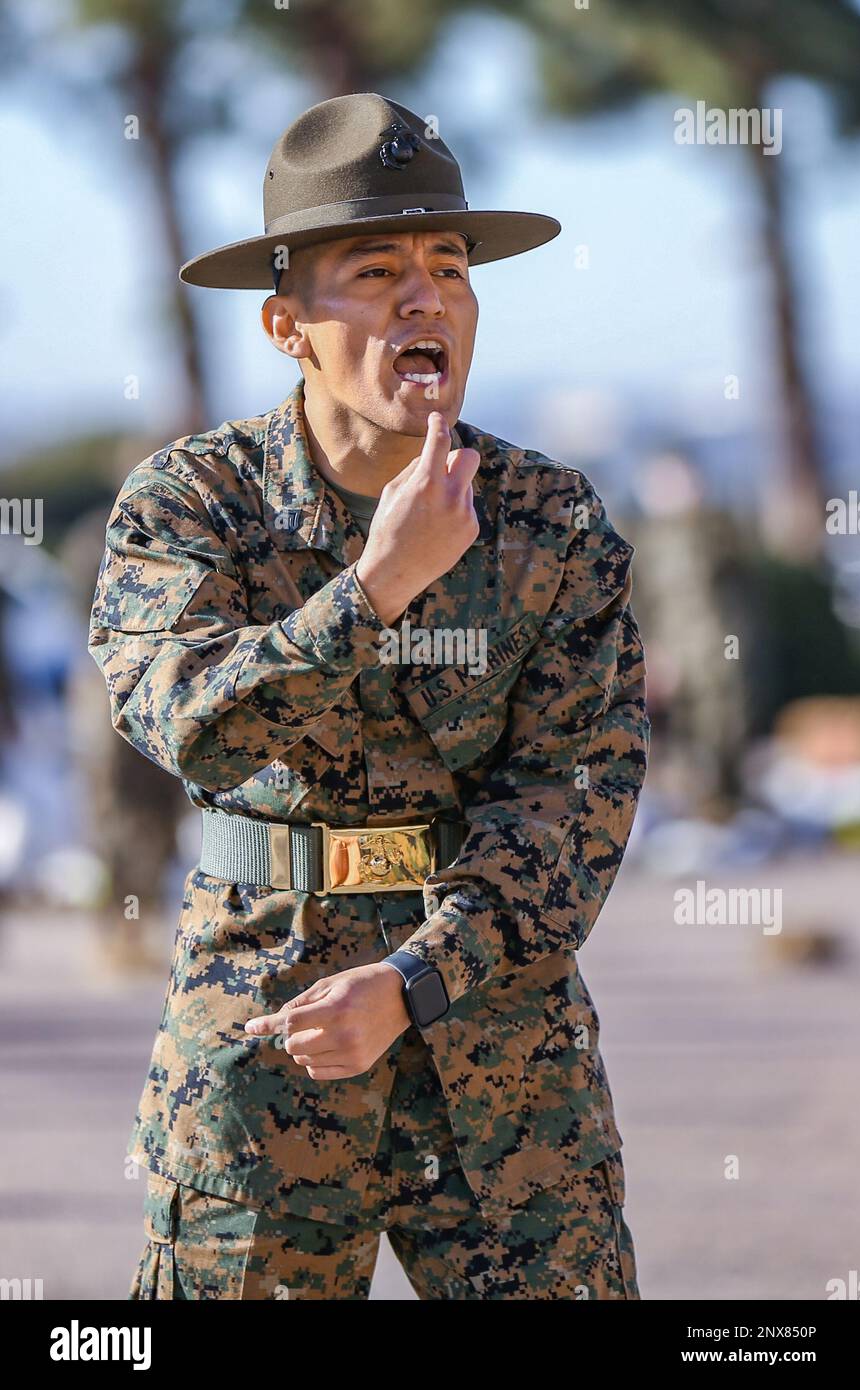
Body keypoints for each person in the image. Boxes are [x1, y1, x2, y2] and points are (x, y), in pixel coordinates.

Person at [88, 92, 650, 1300]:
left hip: (500, 1052)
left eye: (447, 266)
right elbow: (190, 725)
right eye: (377, 267)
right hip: (262, 1036)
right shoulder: (191, 505)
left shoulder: (547, 520)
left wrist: (416, 980)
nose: (423, 296)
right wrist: (373, 589)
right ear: (288, 324)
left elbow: (577, 798)